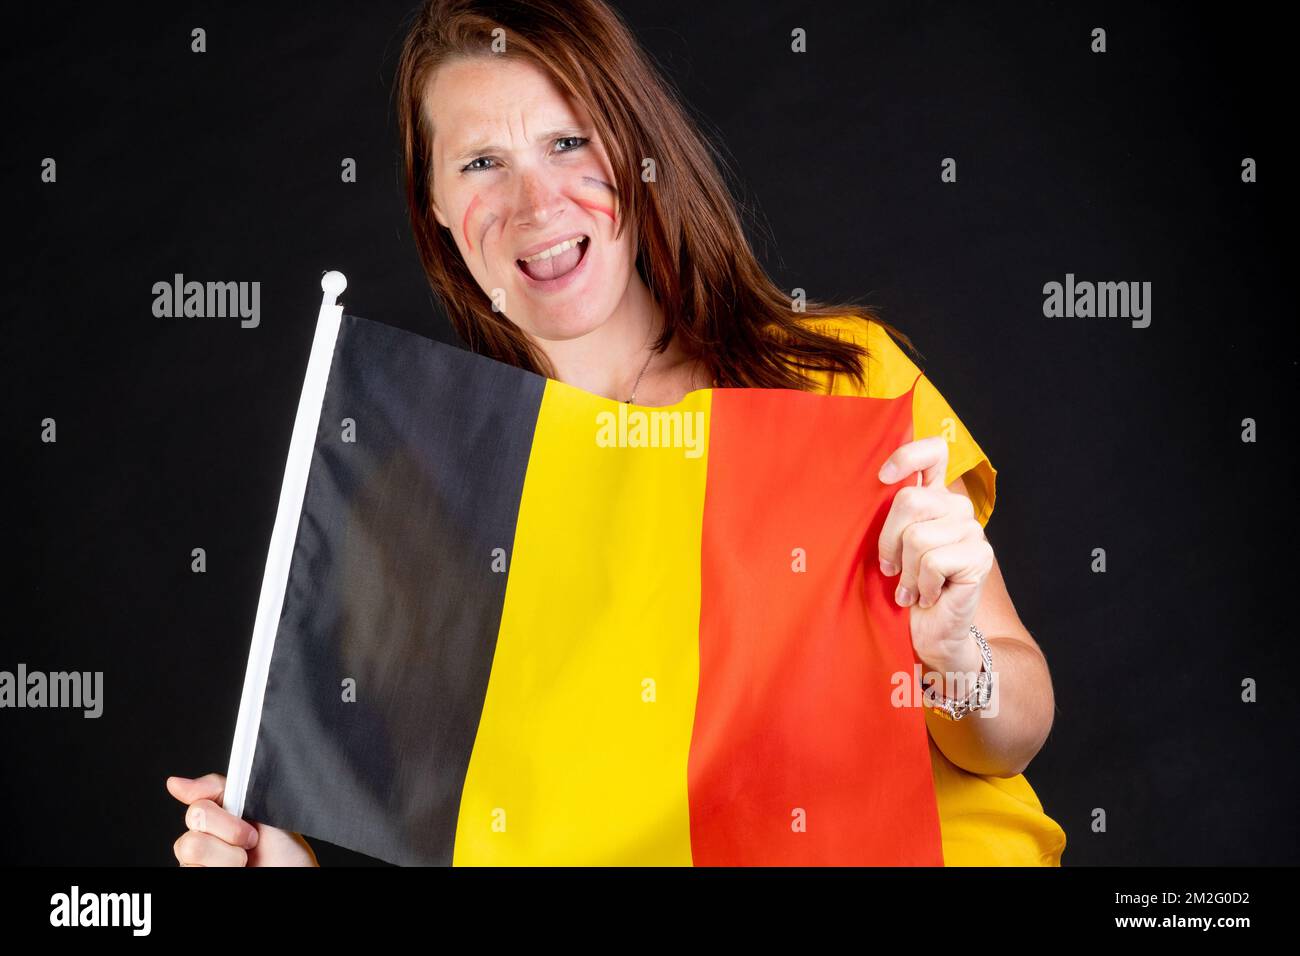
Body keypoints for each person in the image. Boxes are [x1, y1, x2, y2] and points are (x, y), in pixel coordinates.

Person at [170, 0, 1065, 866]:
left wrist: (956, 659)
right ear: (433, 203)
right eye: (482, 162)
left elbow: (1011, 740)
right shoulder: (426, 511)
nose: (536, 201)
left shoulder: (841, 379)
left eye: (567, 141)